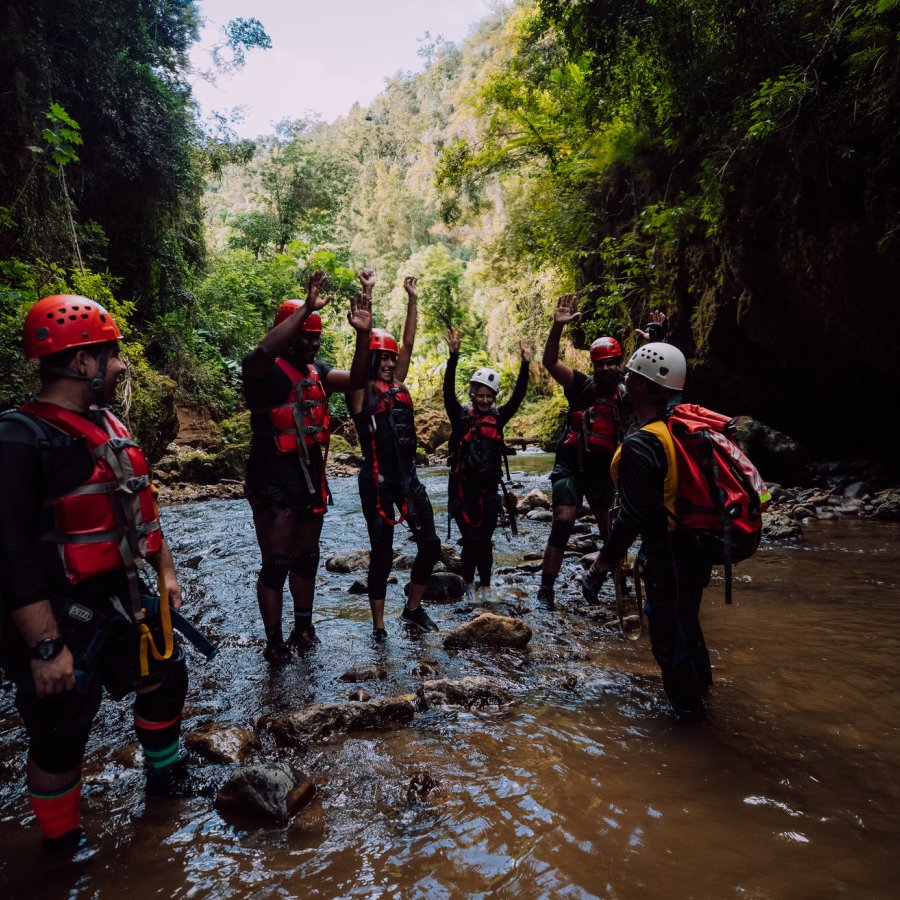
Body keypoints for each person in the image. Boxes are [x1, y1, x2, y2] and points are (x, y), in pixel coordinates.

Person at [0, 294, 190, 848]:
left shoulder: (107, 423)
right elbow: (8, 549)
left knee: (165, 680)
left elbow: (140, 507)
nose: (122, 364)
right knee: (59, 733)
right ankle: (62, 849)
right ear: (81, 363)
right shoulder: (19, 439)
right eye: (112, 354)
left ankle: (164, 778)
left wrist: (167, 572)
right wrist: (44, 647)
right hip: (60, 614)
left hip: (125, 600)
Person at [243, 270, 373, 664]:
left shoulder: (318, 372)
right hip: (272, 478)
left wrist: (363, 335)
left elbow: (359, 378)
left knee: (307, 556)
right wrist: (304, 309)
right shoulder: (262, 372)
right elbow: (262, 356)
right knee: (277, 561)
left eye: (317, 335)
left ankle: (303, 626)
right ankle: (274, 640)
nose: (313, 342)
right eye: (306, 334)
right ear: (289, 331)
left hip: (309, 478)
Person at [588, 342, 714, 715]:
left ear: (644, 386)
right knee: (687, 623)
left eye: (630, 375)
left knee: (667, 641)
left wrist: (599, 568)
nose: (624, 380)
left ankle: (692, 726)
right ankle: (704, 699)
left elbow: (630, 518)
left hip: (669, 553)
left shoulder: (643, 443)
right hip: (698, 548)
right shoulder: (683, 428)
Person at [348, 276, 441, 640]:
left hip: (408, 478)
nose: (389, 362)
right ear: (371, 359)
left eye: (391, 358)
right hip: (377, 481)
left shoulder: (398, 384)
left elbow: (408, 343)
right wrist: (366, 304)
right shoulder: (359, 392)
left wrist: (413, 299)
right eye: (382, 358)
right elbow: (363, 362)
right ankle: (379, 626)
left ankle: (412, 609)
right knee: (382, 554)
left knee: (431, 546)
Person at [536, 294, 627, 608]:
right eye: (602, 364)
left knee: (611, 531)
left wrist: (657, 337)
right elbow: (549, 362)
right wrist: (557, 327)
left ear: (621, 362)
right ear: (594, 365)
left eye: (613, 362)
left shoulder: (627, 394)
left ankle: (615, 582)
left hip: (603, 473)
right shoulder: (581, 385)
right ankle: (546, 590)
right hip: (570, 466)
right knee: (563, 519)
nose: (608, 368)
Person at [443, 328, 531, 599]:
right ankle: (468, 585)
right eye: (479, 395)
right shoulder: (460, 418)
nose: (483, 400)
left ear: (494, 397)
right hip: (461, 491)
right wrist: (453, 358)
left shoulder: (499, 417)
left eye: (488, 396)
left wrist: (525, 364)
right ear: (472, 395)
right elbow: (447, 391)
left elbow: (517, 396)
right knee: (470, 540)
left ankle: (486, 586)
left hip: (489, 493)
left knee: (484, 542)